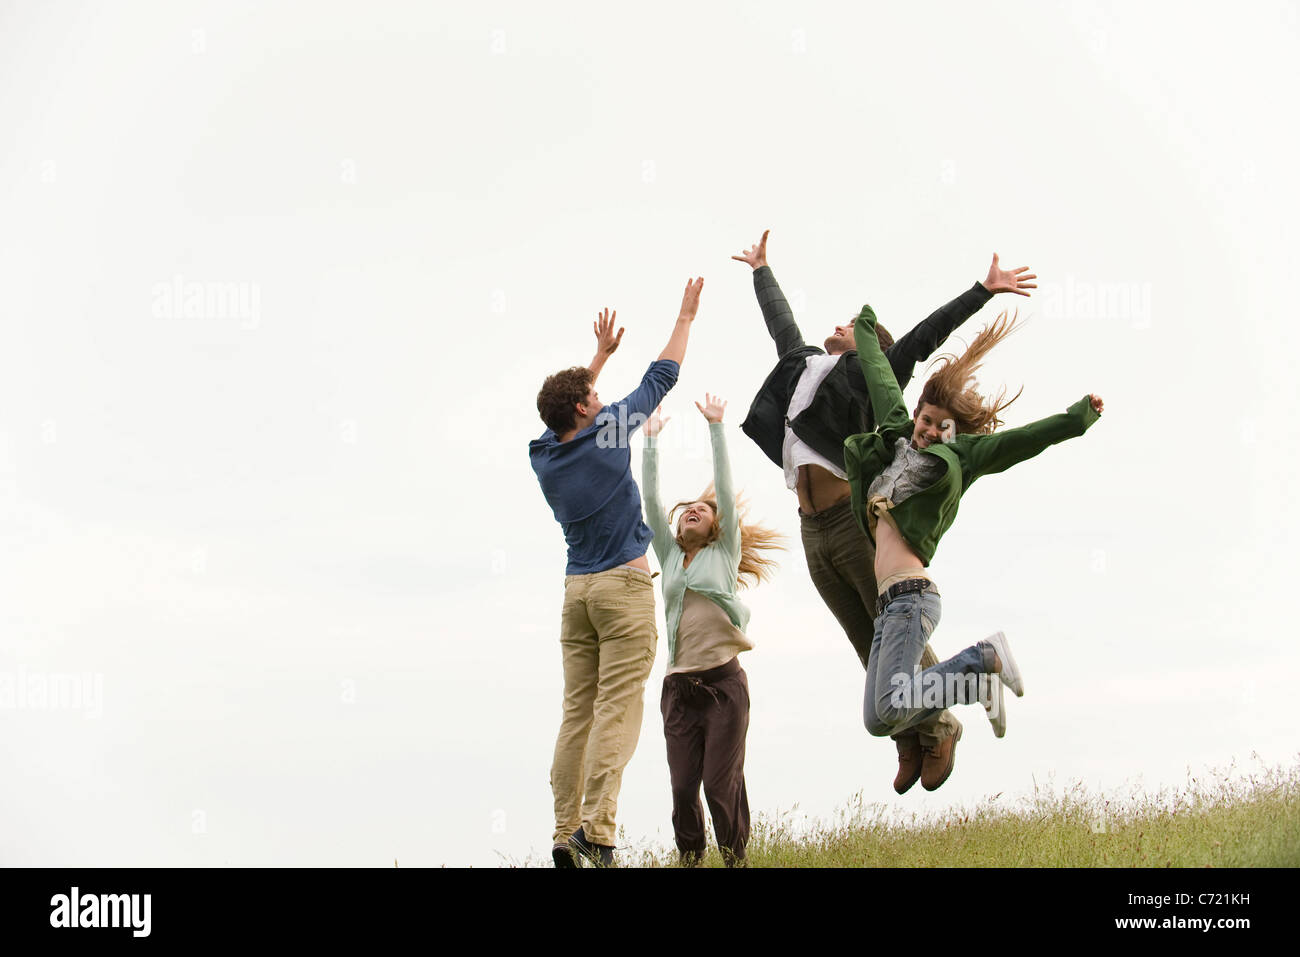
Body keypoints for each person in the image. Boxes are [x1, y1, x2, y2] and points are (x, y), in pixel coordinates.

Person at [731, 229, 1037, 793]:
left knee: (896, 634)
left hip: (850, 523)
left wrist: (982, 290)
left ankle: (940, 725)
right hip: (811, 529)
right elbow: (783, 326)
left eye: (850, 325)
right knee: (863, 640)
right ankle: (906, 736)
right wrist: (761, 271)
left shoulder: (865, 376)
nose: (841, 325)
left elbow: (921, 338)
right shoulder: (802, 366)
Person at [842, 302, 1104, 740]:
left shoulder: (961, 456)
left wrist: (1078, 418)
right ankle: (973, 681)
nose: (927, 431)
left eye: (939, 427)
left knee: (890, 703)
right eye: (924, 420)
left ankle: (982, 658)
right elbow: (879, 376)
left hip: (912, 597)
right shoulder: (897, 436)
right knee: (877, 719)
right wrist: (865, 325)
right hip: (887, 606)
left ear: (953, 433)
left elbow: (1022, 441)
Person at [529, 278, 704, 868]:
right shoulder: (607, 433)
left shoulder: (544, 454)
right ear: (584, 410)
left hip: (576, 593)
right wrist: (684, 316)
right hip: (623, 590)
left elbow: (564, 412)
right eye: (593, 395)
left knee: (576, 711)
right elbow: (662, 377)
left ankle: (563, 831)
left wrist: (597, 359)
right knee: (617, 709)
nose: (601, 399)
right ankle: (598, 832)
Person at [641, 394, 783, 867]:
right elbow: (650, 498)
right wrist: (652, 441)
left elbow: (723, 486)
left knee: (720, 785)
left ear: (717, 524)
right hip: (678, 688)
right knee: (684, 787)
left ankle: (736, 859)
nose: (693, 511)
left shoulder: (725, 553)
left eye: (704, 510)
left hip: (723, 685)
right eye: (687, 512)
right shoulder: (668, 555)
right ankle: (690, 858)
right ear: (677, 528)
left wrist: (717, 429)